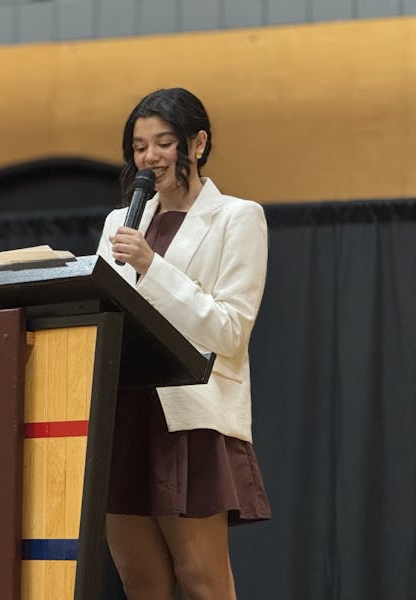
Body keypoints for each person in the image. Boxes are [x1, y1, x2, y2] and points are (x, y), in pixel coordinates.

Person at [96, 87, 271, 600]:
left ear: (197, 144)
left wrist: (153, 265)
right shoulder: (118, 222)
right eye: (139, 146)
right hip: (123, 407)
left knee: (202, 580)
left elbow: (229, 330)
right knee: (139, 581)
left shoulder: (239, 217)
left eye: (164, 143)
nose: (149, 158)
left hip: (190, 414)